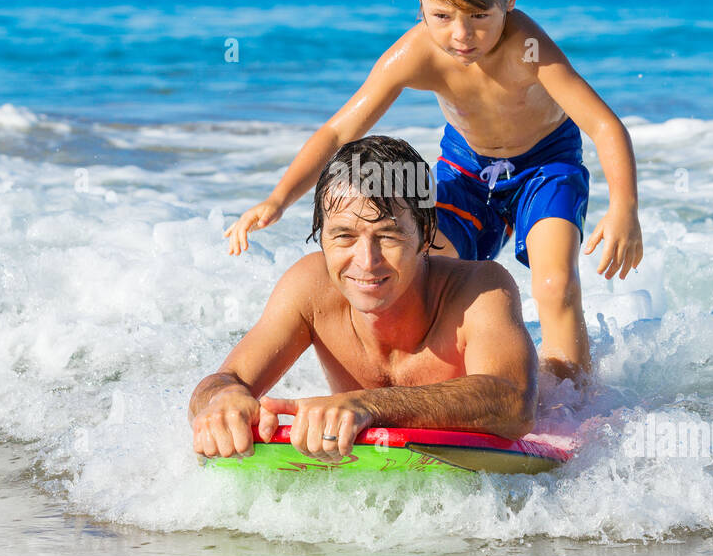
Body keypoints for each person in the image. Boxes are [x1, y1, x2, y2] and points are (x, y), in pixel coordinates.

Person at [224, 0, 642, 384]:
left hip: (544, 167)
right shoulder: (417, 52)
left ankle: (571, 396)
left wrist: (624, 209)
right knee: (424, 267)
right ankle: (444, 381)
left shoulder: (528, 48)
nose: (461, 36)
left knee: (554, 283)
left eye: (479, 16)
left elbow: (605, 126)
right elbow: (341, 132)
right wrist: (279, 198)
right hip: (464, 171)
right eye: (441, 16)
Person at [191, 136, 537, 461]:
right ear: (321, 236)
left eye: (387, 235)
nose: (366, 262)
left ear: (426, 234)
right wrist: (224, 402)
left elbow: (515, 403)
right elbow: (222, 381)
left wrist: (369, 405)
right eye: (344, 236)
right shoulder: (310, 288)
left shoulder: (480, 289)